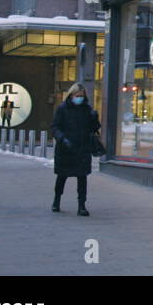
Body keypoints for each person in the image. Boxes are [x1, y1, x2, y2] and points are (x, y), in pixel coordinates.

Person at [50, 82, 100, 216]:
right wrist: (62, 139)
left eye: (81, 96)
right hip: (66, 148)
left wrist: (95, 118)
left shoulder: (87, 109)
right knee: (62, 176)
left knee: (82, 177)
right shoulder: (62, 109)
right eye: (77, 95)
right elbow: (54, 127)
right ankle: (57, 200)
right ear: (71, 95)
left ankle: (81, 205)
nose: (79, 98)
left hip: (82, 148)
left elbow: (93, 128)